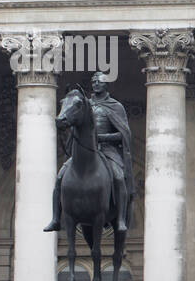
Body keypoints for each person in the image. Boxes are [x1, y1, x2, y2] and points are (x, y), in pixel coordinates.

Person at [45, 71, 134, 235]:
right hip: (85, 150)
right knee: (60, 177)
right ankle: (56, 218)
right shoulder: (83, 104)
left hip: (108, 150)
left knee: (119, 177)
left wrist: (100, 138)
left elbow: (123, 134)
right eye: (93, 82)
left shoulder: (115, 106)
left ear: (106, 84)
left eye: (99, 81)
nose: (96, 84)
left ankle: (120, 219)